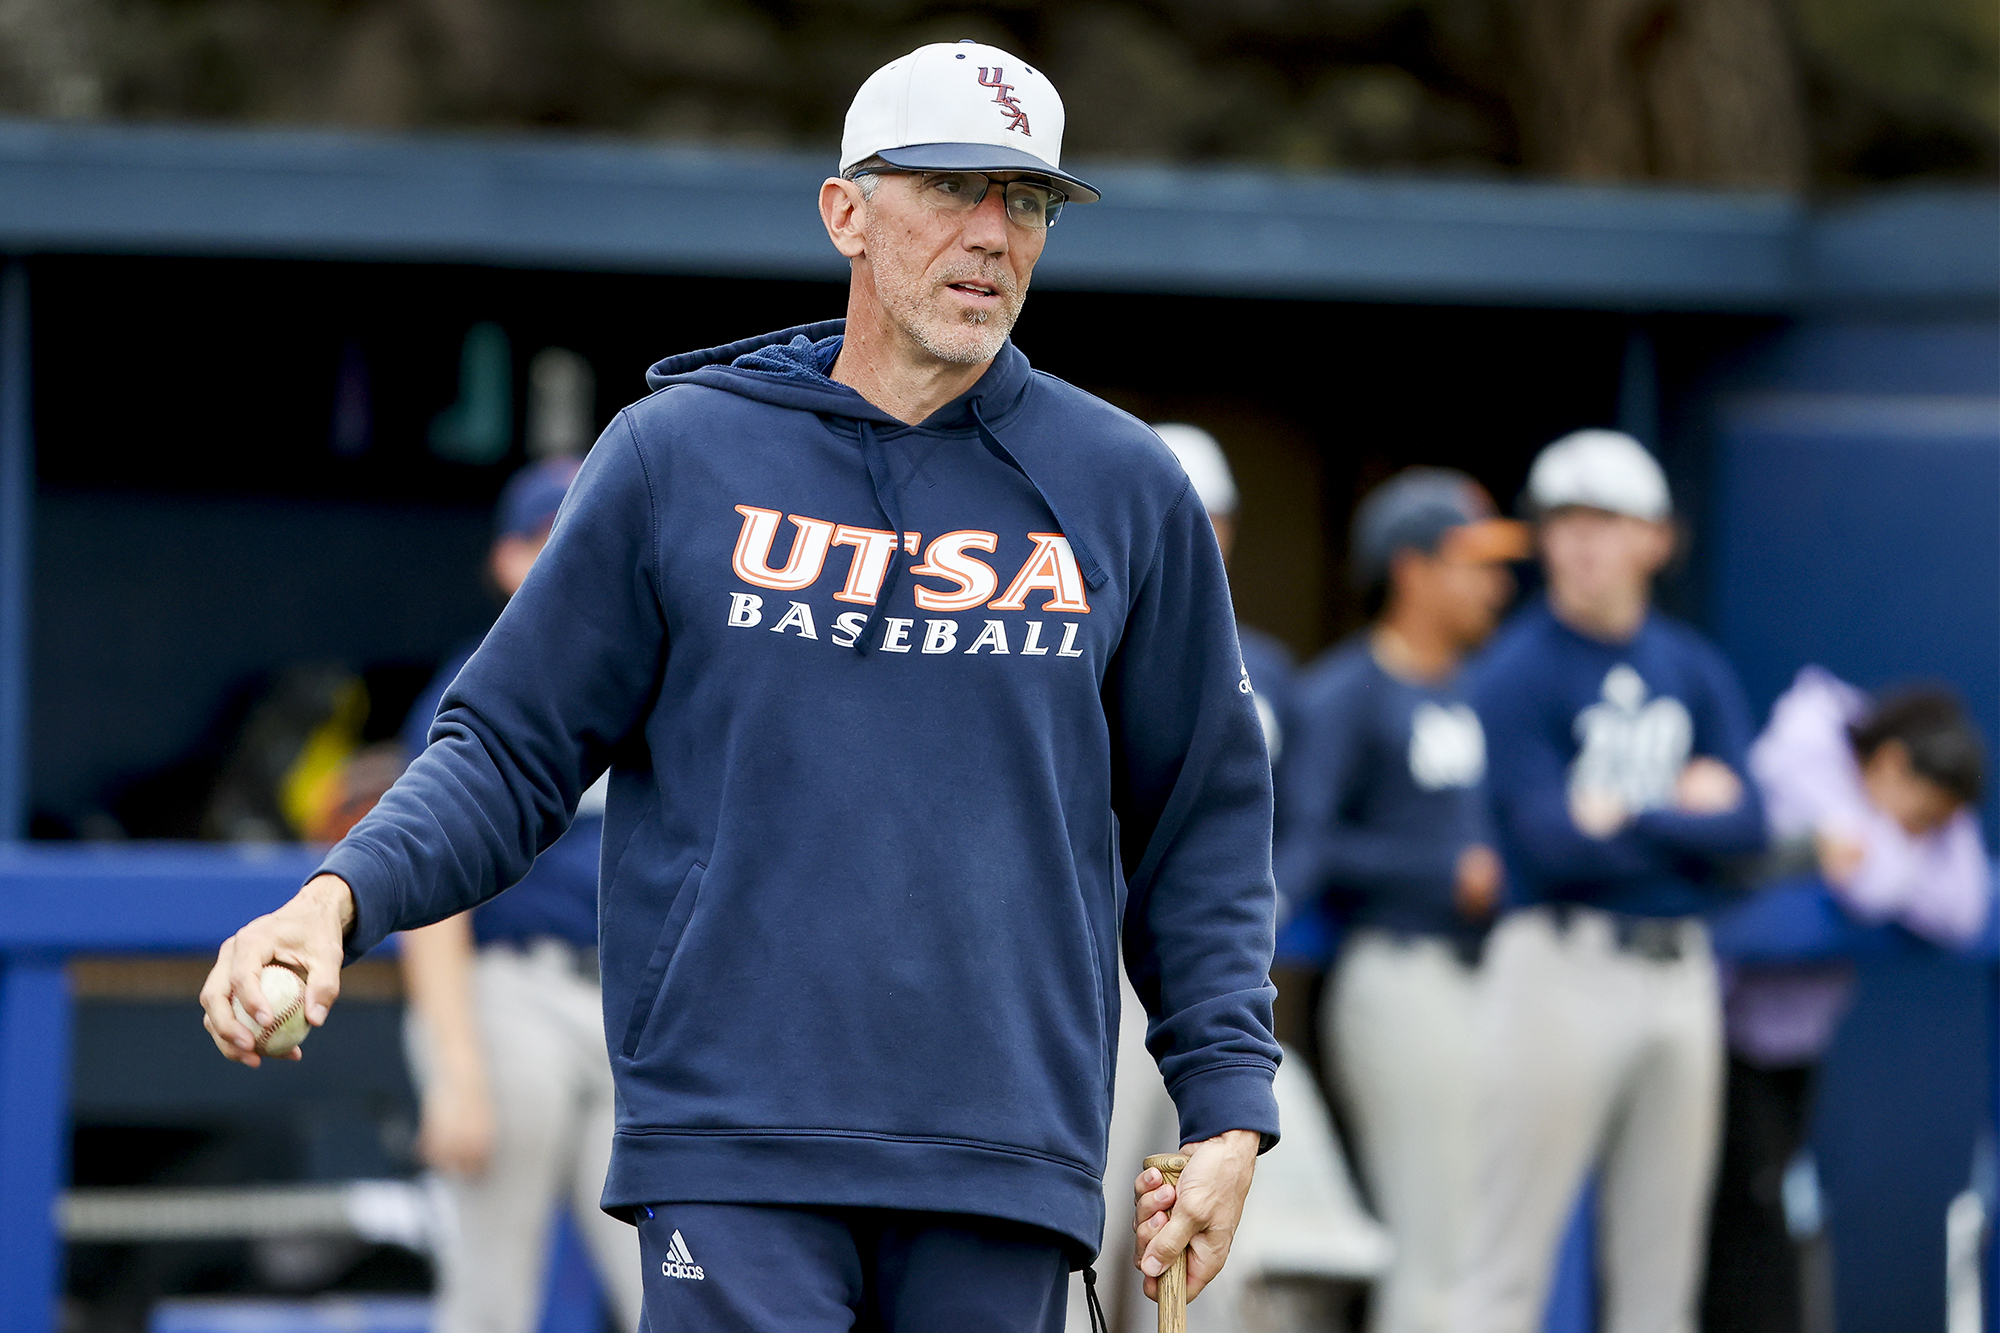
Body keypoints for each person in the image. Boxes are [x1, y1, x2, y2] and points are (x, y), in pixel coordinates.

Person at [201, 39, 1280, 1333]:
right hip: (733, 1141)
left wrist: (1225, 1106)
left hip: (1002, 1151)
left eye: (1028, 201)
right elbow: (510, 748)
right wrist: (338, 897)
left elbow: (1200, 817)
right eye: (950, 190)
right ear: (846, 211)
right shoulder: (679, 456)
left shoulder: (1123, 488)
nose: (993, 234)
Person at [1457, 429, 1767, 1333]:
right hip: (1560, 962)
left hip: (1680, 972)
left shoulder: (1692, 665)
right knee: (1504, 1264)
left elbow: (1747, 830)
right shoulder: (1518, 667)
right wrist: (1686, 815)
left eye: (1607, 522)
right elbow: (1552, 846)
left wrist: (1632, 813)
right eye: (1565, 522)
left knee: (1661, 1272)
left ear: (1655, 539)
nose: (1582, 543)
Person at [396, 458, 644, 1333]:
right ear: (508, 558)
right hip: (515, 999)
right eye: (548, 536)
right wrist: (456, 1070)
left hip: (637, 1007)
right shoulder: (474, 688)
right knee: (492, 1299)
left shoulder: (657, 675)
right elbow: (431, 895)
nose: (568, 553)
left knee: (676, 1290)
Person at [1275, 469, 1525, 1333]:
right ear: (1412, 569)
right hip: (1400, 971)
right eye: (1472, 562)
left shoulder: (1487, 687)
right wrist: (1435, 869)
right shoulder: (1345, 691)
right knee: (1433, 1250)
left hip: (1500, 979)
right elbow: (1304, 843)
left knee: (1490, 1248)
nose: (1495, 583)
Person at [1702, 670, 1989, 1333]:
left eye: (1937, 831)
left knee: (1773, 1212)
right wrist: (1903, 858)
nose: (1925, 837)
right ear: (1889, 763)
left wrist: (1898, 845)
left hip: (1794, 1041)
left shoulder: (1891, 777)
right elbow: (1876, 883)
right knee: (1739, 1222)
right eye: (1922, 819)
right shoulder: (1801, 754)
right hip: (1714, 1029)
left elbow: (1965, 904)